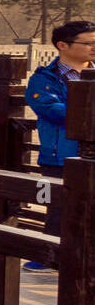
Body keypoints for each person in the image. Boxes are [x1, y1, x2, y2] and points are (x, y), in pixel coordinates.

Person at [24, 20, 95, 272]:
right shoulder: (44, 78)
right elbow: (50, 110)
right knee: (59, 207)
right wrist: (88, 111)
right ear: (62, 45)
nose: (93, 47)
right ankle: (49, 255)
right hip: (60, 155)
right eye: (88, 43)